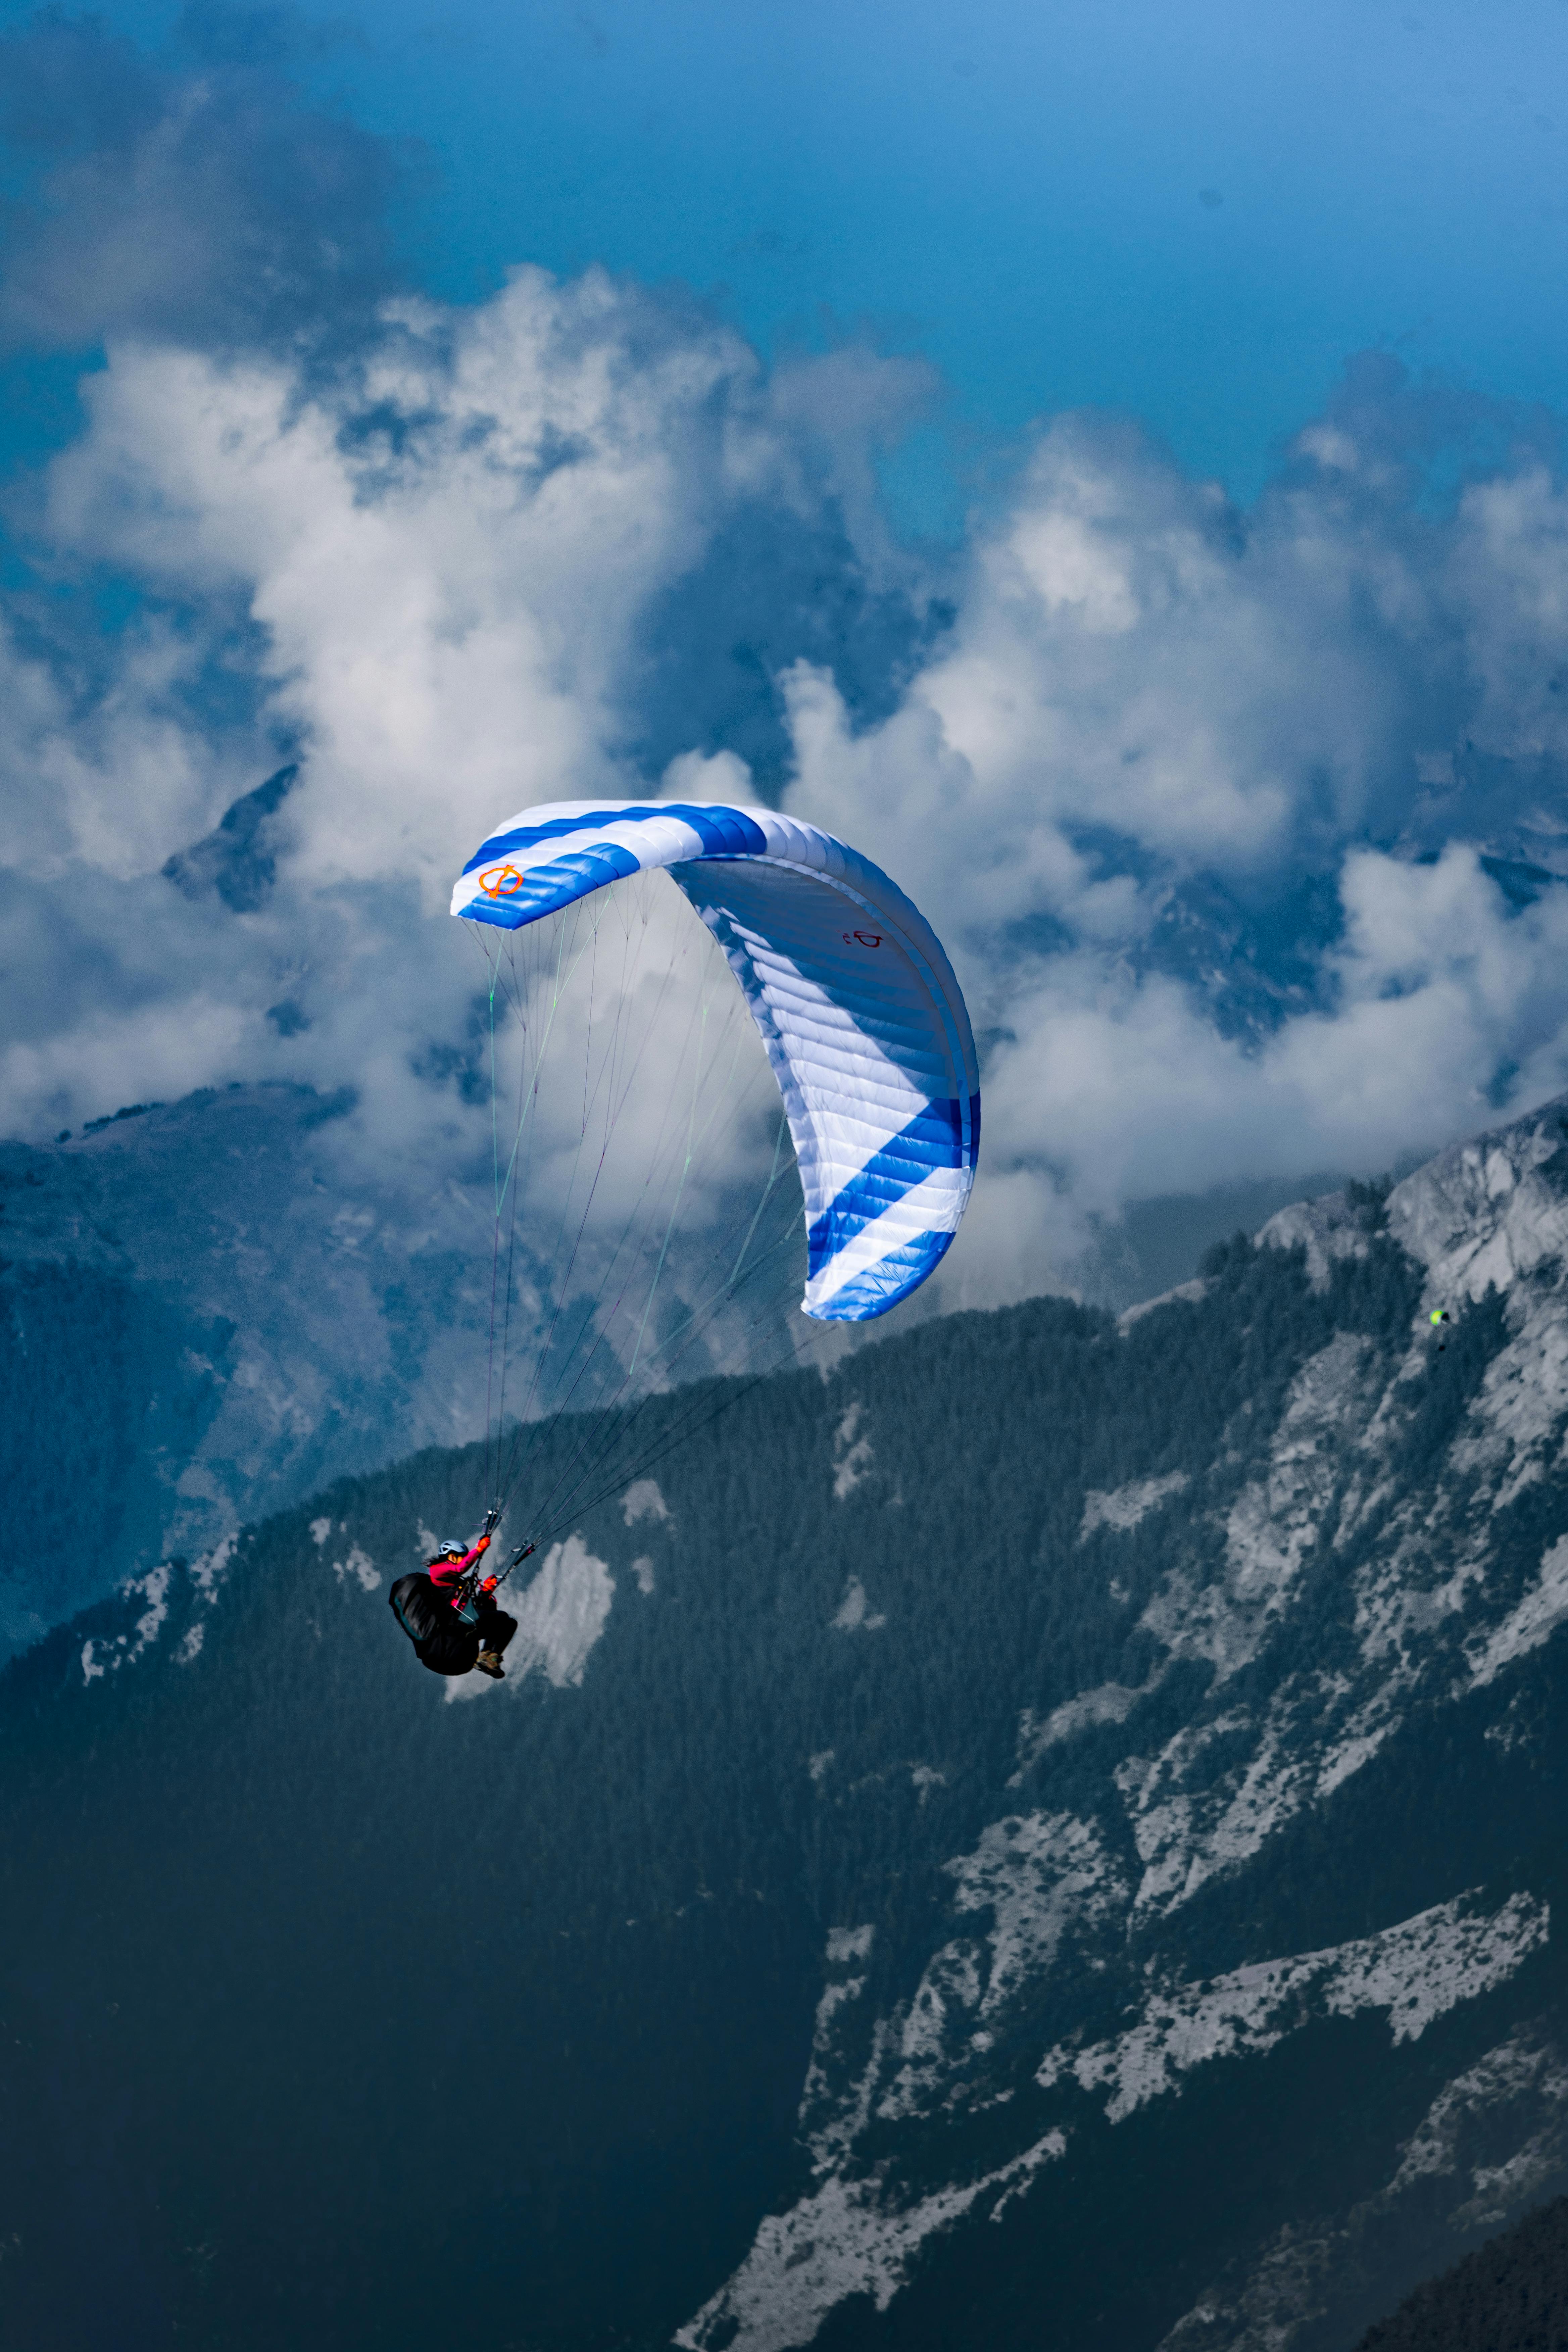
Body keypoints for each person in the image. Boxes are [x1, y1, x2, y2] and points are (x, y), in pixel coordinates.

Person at [388, 1533, 519, 1680]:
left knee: (509, 1624)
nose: (463, 1559)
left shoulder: (458, 1585)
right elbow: (460, 1568)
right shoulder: (437, 1571)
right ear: (450, 1556)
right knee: (502, 1619)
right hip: (452, 1625)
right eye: (460, 1556)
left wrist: (485, 1592)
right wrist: (479, 1549)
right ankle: (485, 1657)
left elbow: (475, 1607)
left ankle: (488, 1657)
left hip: (461, 1632)